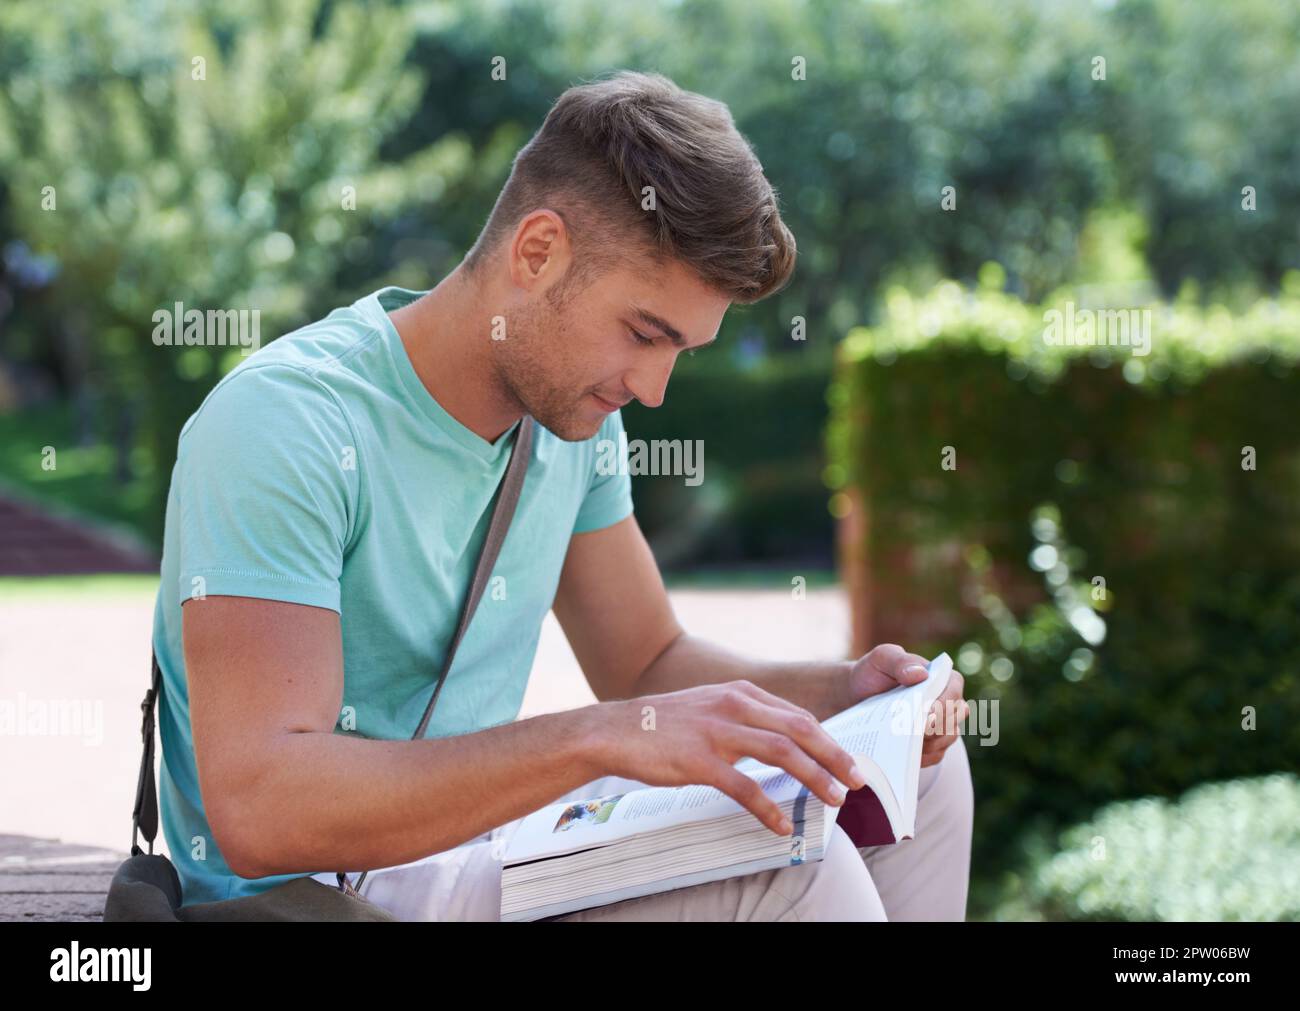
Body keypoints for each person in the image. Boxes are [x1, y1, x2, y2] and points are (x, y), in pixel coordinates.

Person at [156, 69, 973, 921]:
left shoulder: (569, 424)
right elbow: (260, 809)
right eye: (643, 333)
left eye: (680, 351)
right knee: (790, 869)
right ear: (536, 252)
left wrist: (843, 694)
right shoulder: (286, 423)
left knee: (923, 775)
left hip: (480, 850)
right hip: (316, 890)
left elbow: (646, 662)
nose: (654, 388)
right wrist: (596, 736)